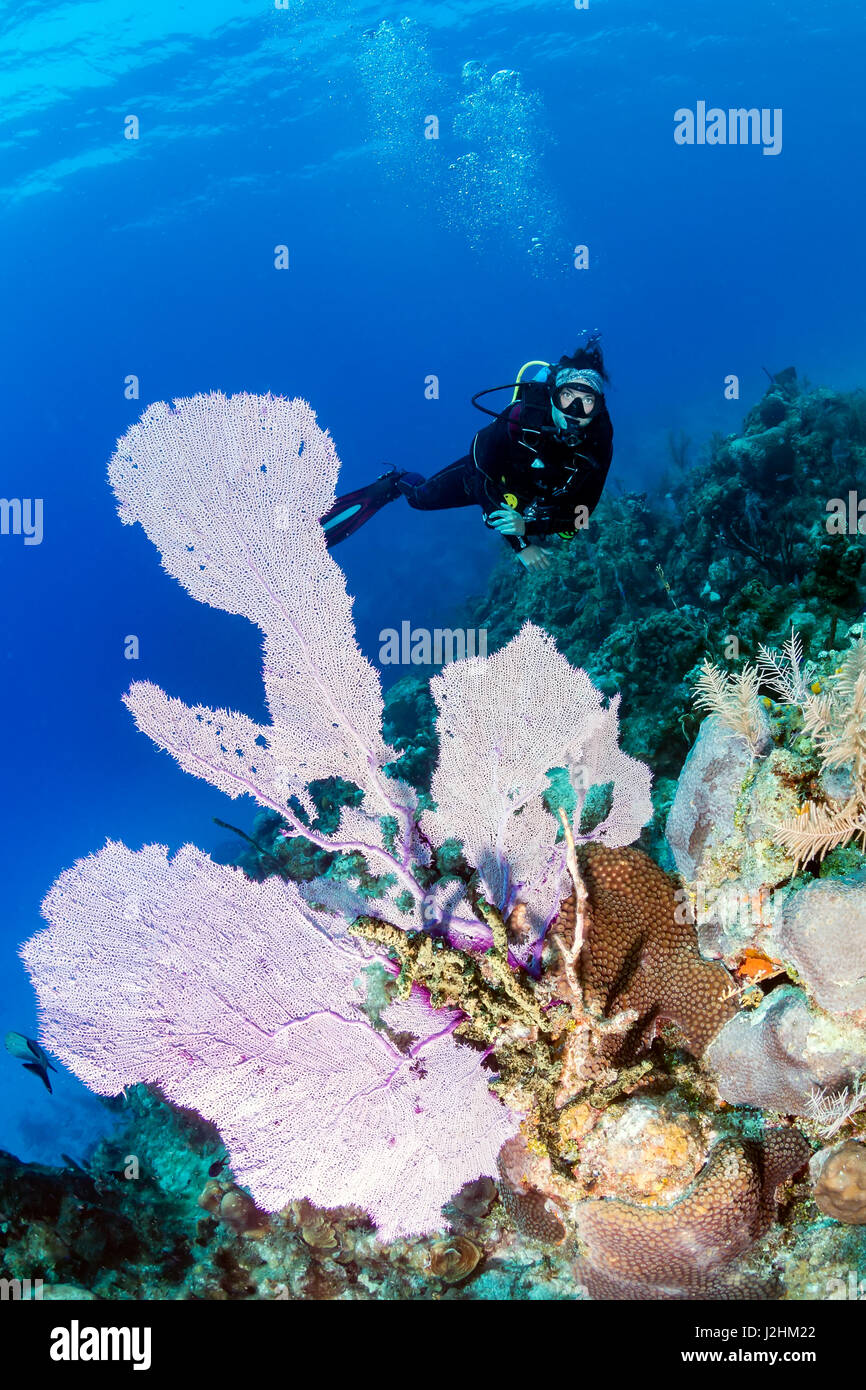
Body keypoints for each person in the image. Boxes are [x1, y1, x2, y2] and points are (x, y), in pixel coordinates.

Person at [320, 333, 614, 571]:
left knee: (567, 532)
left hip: (540, 498)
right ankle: (395, 482)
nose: (575, 411)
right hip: (490, 481)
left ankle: (529, 521)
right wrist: (520, 542)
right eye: (567, 397)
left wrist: (529, 524)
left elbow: (583, 512)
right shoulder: (521, 419)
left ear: (598, 407)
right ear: (553, 397)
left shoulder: (599, 444)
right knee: (420, 500)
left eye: (587, 401)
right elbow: (479, 469)